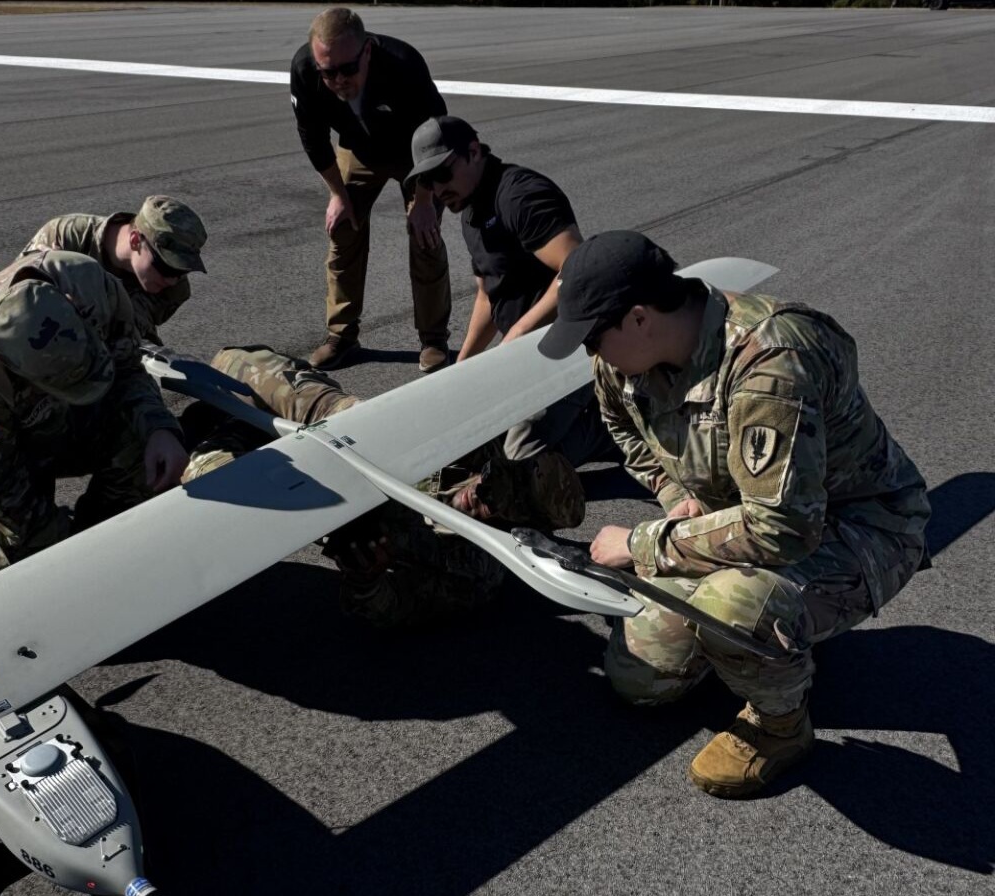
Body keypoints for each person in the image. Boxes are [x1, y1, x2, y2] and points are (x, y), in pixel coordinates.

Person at [541, 230, 930, 799]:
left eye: (593, 339)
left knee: (733, 608)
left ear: (641, 318)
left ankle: (780, 726)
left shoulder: (770, 361)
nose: (590, 354)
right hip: (749, 519)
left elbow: (783, 527)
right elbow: (628, 435)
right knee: (640, 682)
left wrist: (647, 544)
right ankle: (756, 637)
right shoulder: (623, 362)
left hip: (857, 528)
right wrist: (678, 503)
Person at [178, 345, 583, 627]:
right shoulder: (481, 446)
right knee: (235, 365)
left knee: (207, 485)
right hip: (349, 429)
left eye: (497, 503)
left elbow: (389, 609)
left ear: (517, 528)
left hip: (323, 498)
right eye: (489, 482)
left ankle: (197, 439)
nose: (479, 493)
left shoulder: (472, 576)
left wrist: (365, 577)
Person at [0, 250, 188, 583]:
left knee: (142, 451)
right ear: (14, 370)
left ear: (74, 306)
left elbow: (126, 367)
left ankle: (105, 532)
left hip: (52, 418)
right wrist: (58, 543)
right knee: (13, 569)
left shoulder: (88, 282)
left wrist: (158, 427)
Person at [405, 115, 615, 470]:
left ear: (473, 152)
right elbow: (488, 295)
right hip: (524, 353)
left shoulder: (520, 195)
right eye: (427, 180)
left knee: (520, 460)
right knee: (463, 439)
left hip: (568, 347)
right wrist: (463, 368)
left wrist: (518, 332)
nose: (437, 190)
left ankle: (616, 428)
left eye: (442, 173)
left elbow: (577, 267)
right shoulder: (470, 210)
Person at [290, 7, 451, 372]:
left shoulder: (403, 63)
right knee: (342, 228)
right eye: (328, 72)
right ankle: (342, 336)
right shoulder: (304, 69)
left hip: (415, 153)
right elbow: (313, 139)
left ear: (367, 51)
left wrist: (424, 199)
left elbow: (436, 133)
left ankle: (433, 339)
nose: (339, 80)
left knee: (424, 235)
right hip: (358, 149)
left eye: (348, 69)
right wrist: (337, 195)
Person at [19, 195, 207, 345]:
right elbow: (16, 299)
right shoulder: (68, 237)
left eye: (182, 270)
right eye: (166, 267)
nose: (172, 280)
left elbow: (126, 335)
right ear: (135, 241)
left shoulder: (174, 291)